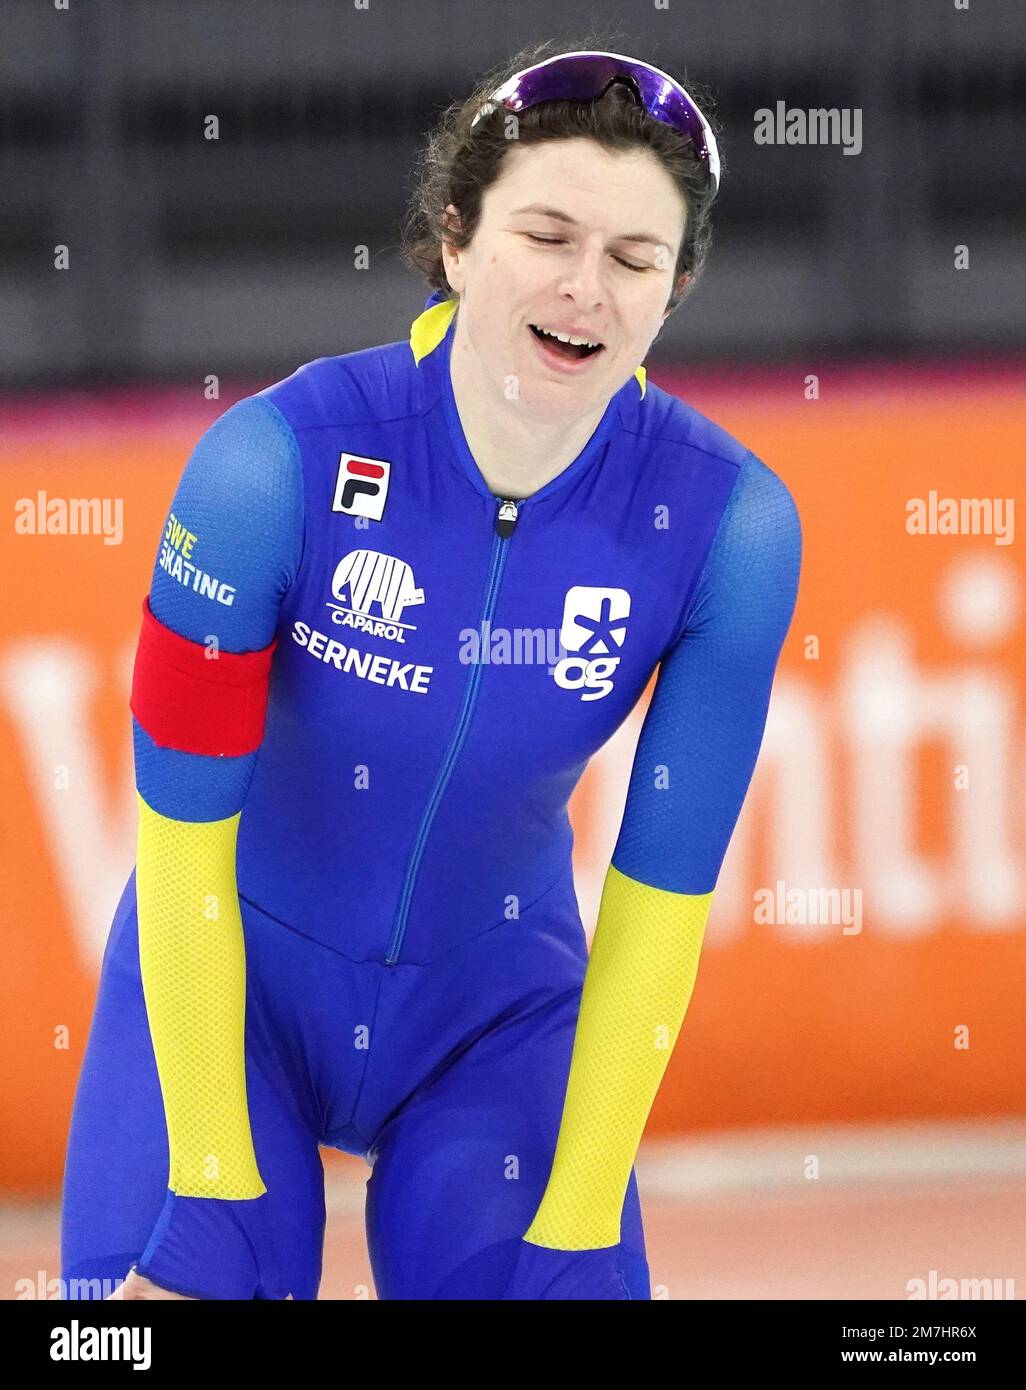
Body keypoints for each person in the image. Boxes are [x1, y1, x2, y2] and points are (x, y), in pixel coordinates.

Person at [60, 40, 801, 1301]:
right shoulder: (268, 467)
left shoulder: (728, 525)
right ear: (455, 240)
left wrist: (576, 1222)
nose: (585, 290)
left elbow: (660, 909)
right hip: (225, 996)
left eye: (633, 260)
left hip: (494, 1026)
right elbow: (179, 844)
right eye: (546, 236)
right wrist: (210, 1188)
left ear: (673, 293)